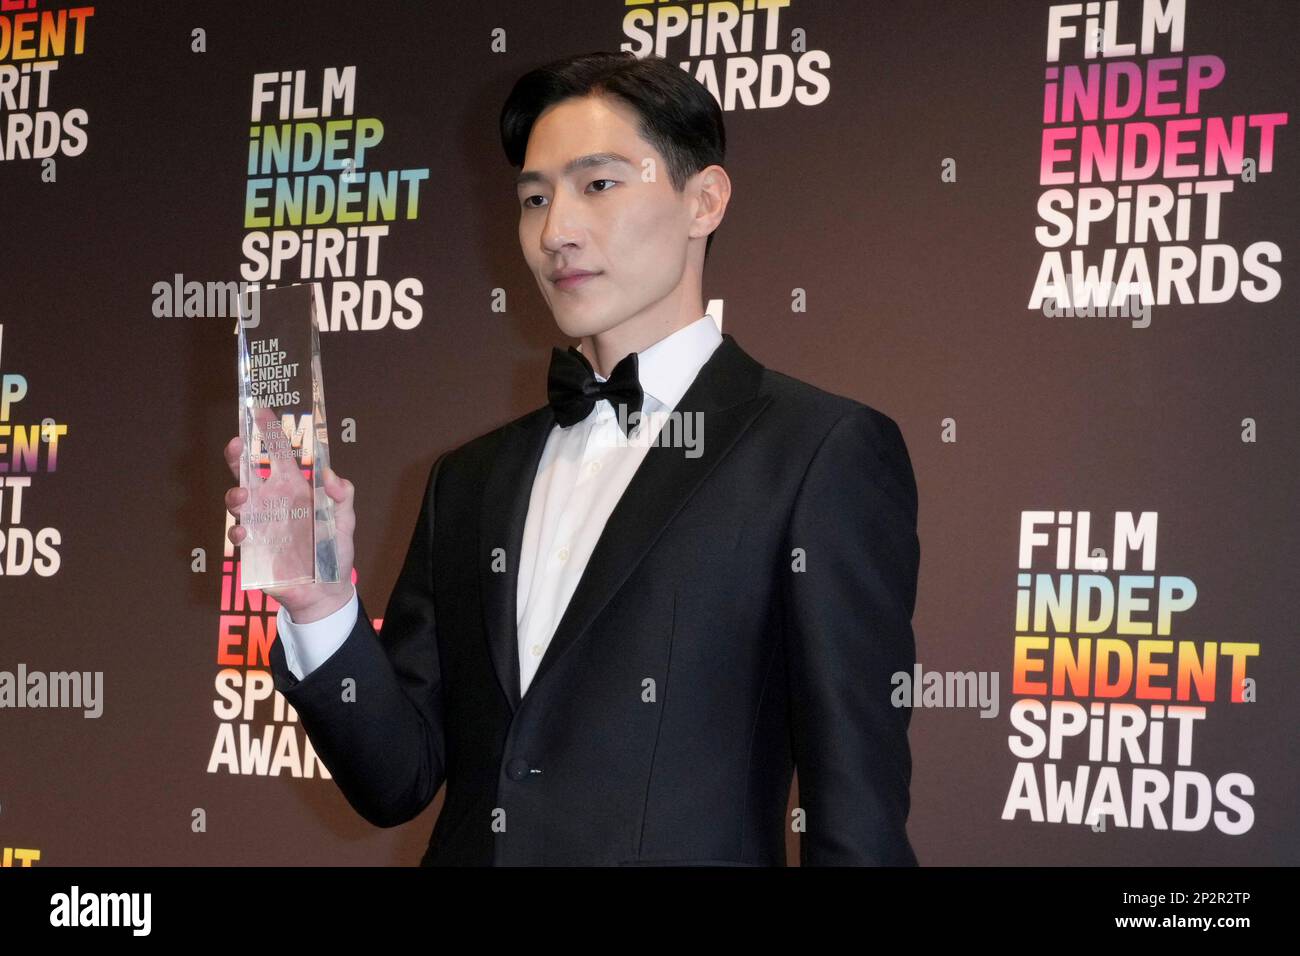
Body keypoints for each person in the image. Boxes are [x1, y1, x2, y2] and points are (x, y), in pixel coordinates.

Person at [222, 50, 921, 866]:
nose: (556, 230)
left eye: (598, 185)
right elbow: (396, 780)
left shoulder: (818, 454)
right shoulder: (471, 479)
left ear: (705, 200)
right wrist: (320, 602)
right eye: (533, 197)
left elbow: (857, 820)